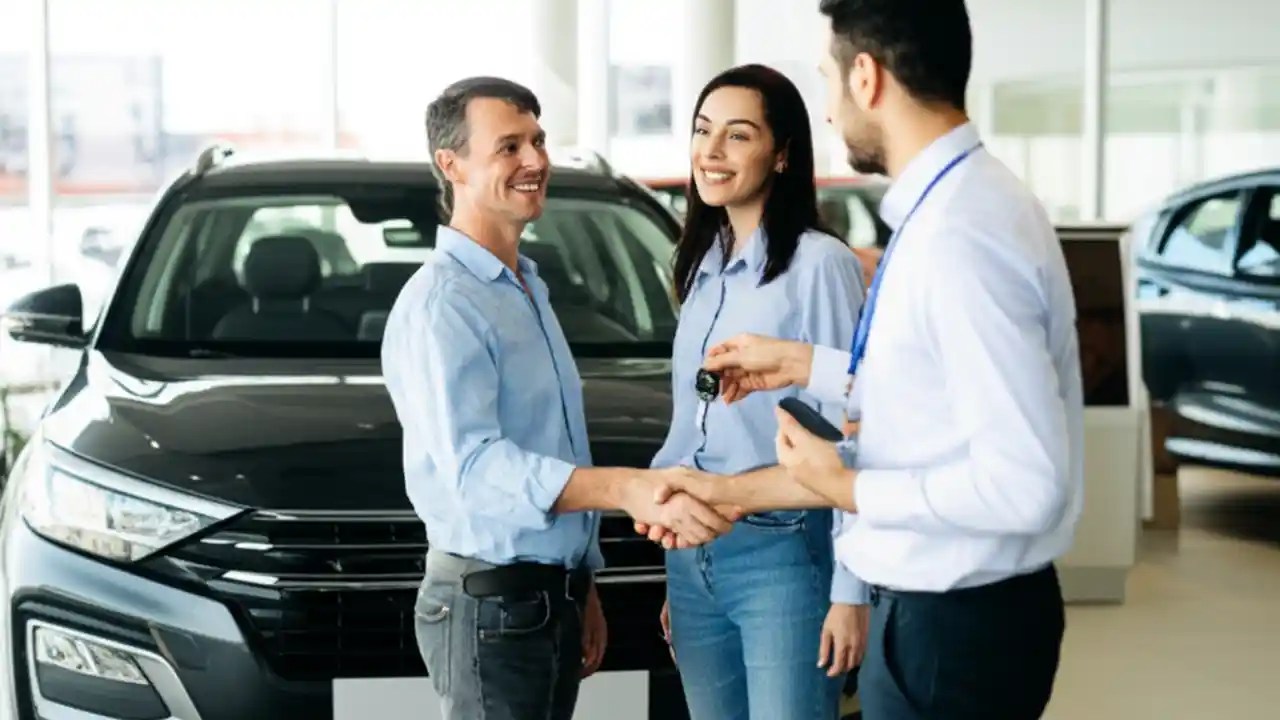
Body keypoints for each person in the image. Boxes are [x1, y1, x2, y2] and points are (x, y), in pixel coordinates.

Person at [644, 1, 1084, 718]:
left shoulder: (960, 233)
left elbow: (1025, 482)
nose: (827, 107)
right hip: (923, 607)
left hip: (947, 615)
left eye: (826, 79)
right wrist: (805, 363)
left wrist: (847, 492)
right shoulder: (948, 210)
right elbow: (928, 390)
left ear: (866, 78)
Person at [380, 76, 737, 720]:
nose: (536, 161)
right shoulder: (445, 303)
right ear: (450, 164)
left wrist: (581, 578)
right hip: (492, 606)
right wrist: (623, 489)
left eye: (539, 141)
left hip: (544, 596)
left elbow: (548, 442)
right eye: (509, 146)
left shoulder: (525, 287)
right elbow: (476, 469)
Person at [647, 63, 869, 720]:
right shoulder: (702, 268)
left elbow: (854, 429)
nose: (711, 153)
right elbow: (692, 427)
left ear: (782, 155)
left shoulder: (818, 266)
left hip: (783, 556)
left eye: (737, 135)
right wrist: (684, 571)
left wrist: (849, 591)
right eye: (702, 130)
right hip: (694, 559)